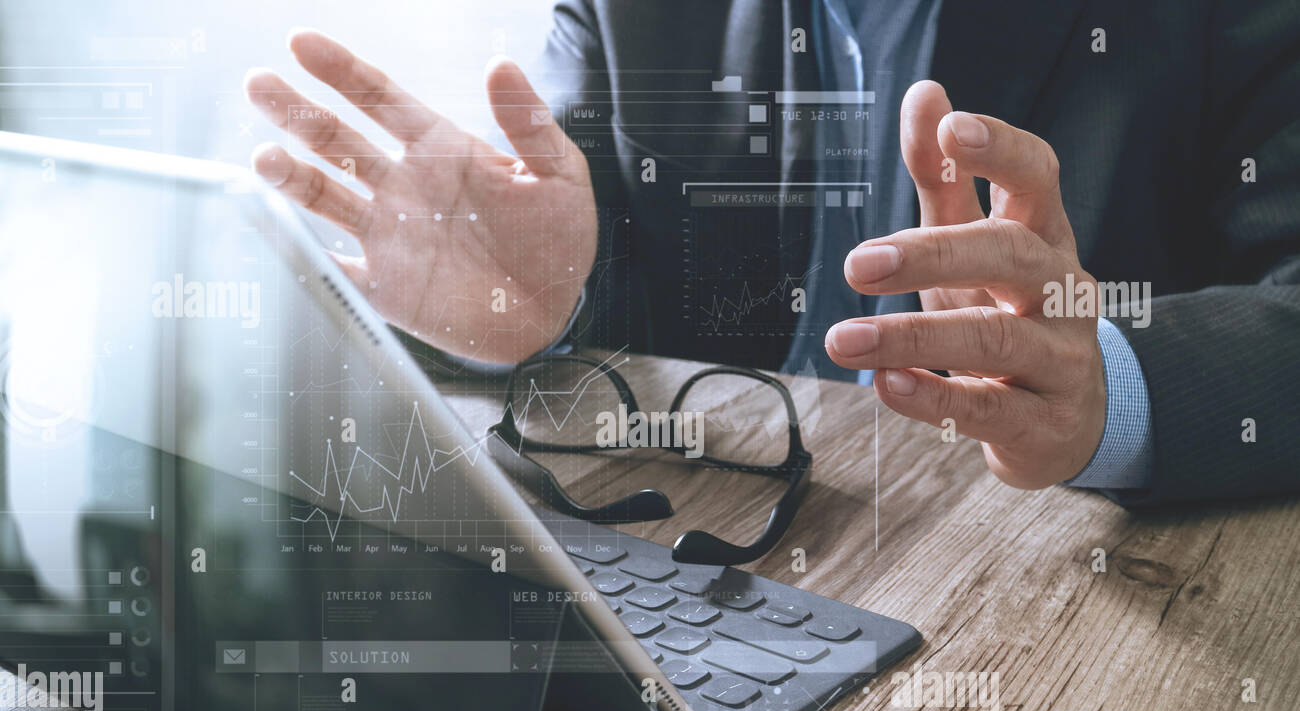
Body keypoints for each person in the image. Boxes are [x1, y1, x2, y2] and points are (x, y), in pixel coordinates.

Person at [243, 1, 1300, 506]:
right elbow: (586, 258)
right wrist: (544, 311)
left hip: (1069, 592)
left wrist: (1105, 394)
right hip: (736, 558)